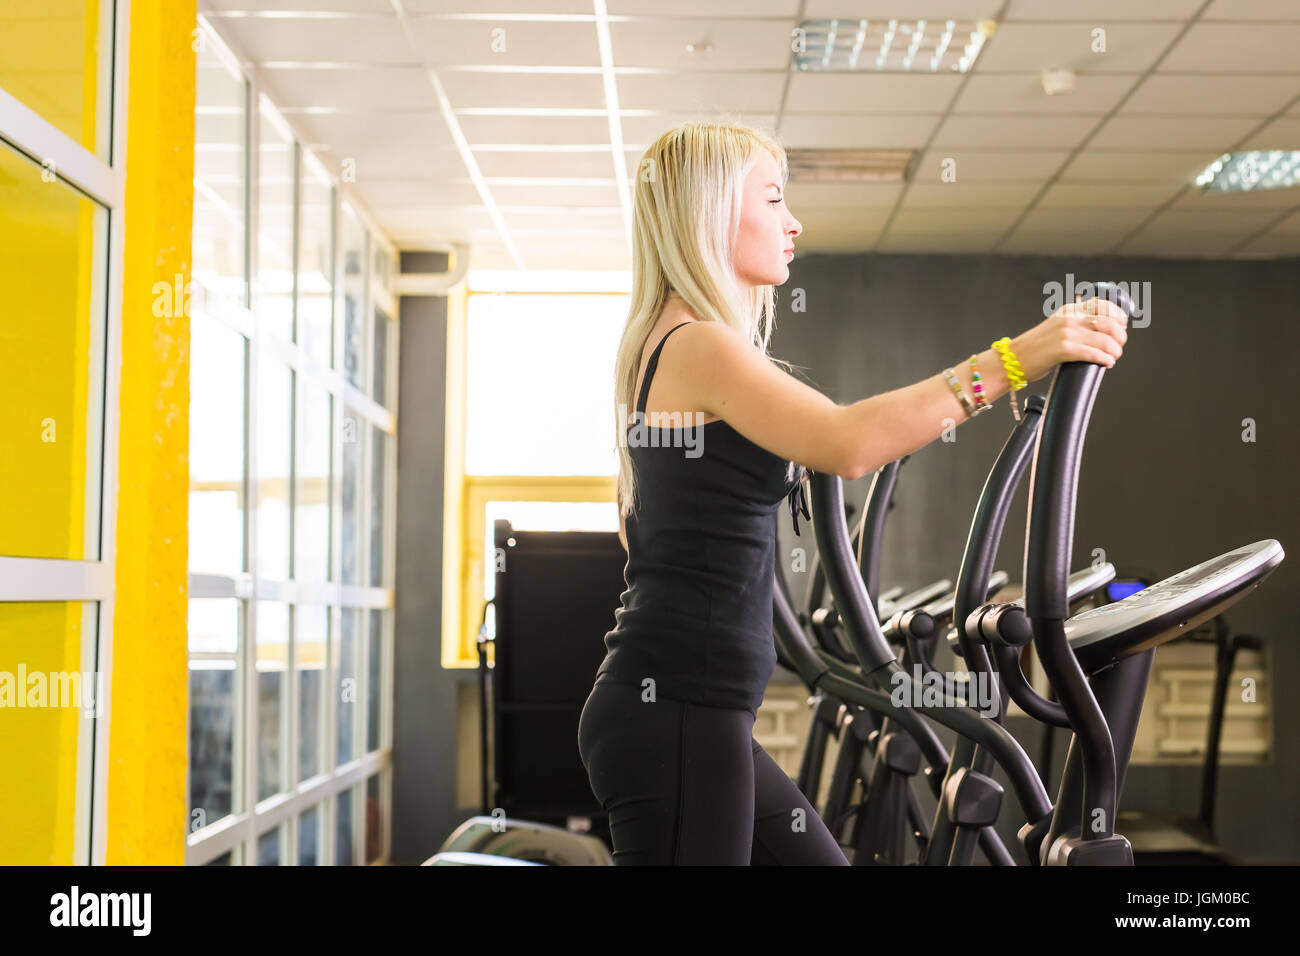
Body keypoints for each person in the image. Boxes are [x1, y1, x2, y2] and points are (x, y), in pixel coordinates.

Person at [577, 121, 1128, 866]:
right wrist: (1015, 359)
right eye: (772, 200)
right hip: (679, 712)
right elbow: (851, 443)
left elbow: (651, 529)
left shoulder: (674, 343)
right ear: (707, 214)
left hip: (693, 712)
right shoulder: (698, 344)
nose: (793, 220)